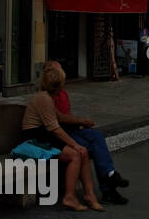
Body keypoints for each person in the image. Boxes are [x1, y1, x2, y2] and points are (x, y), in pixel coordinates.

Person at [39, 61, 129, 204]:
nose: (62, 75)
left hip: (72, 129)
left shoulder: (62, 94)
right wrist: (81, 121)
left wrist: (79, 123)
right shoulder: (46, 97)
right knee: (92, 148)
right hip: (61, 133)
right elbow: (59, 119)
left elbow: (66, 115)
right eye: (58, 72)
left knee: (97, 137)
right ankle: (109, 189)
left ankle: (110, 175)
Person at [18, 66, 103, 211]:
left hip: (43, 135)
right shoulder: (44, 99)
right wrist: (75, 145)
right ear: (59, 85)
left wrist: (81, 121)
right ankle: (69, 197)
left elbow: (60, 117)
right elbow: (55, 128)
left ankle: (90, 195)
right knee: (75, 155)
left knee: (84, 153)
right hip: (35, 138)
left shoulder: (46, 97)